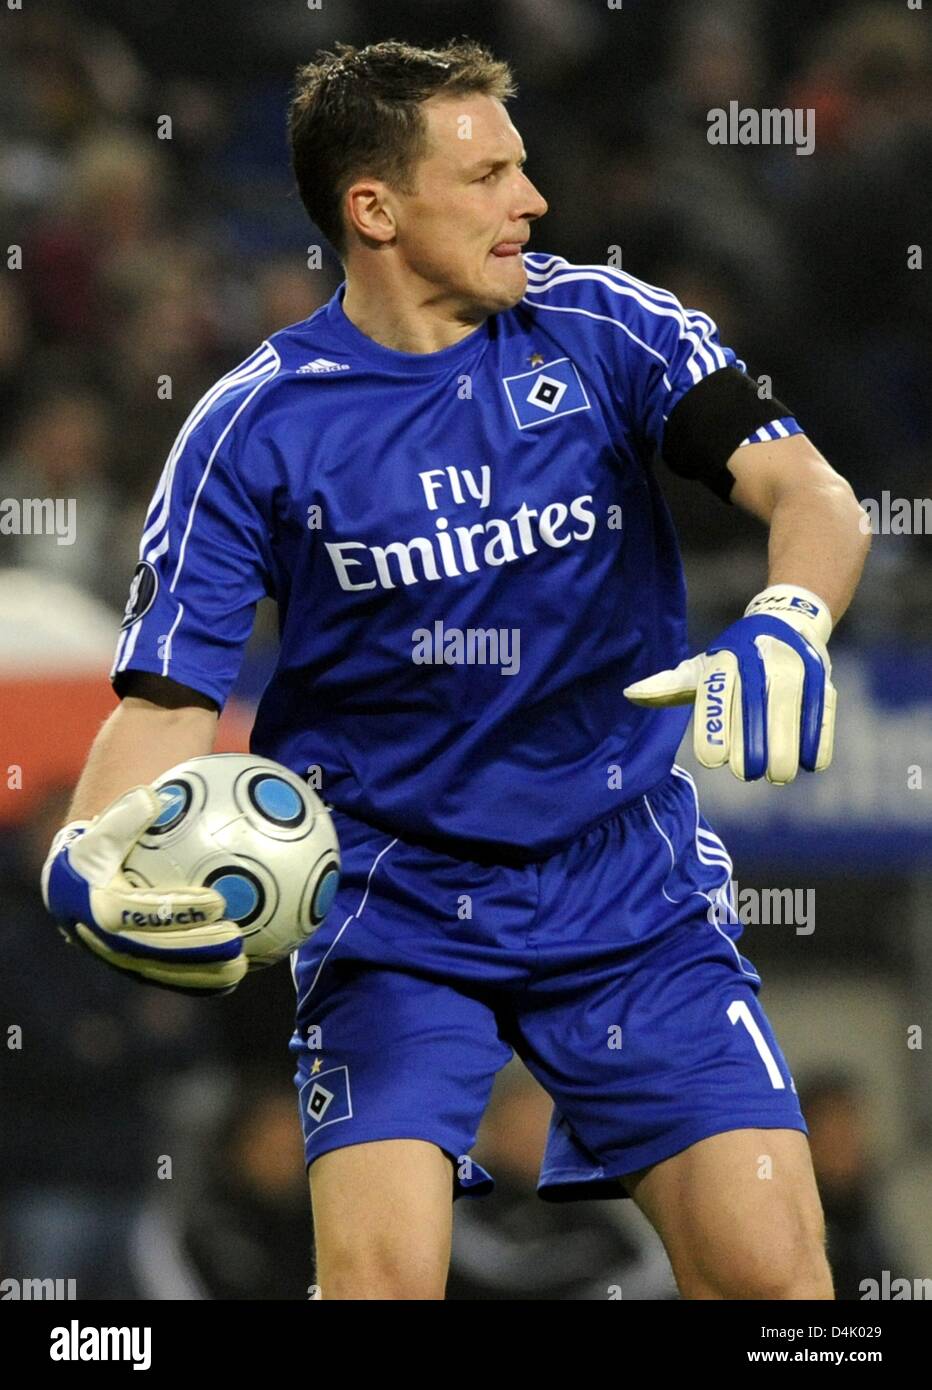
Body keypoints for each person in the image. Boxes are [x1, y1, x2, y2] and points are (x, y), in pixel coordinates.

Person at [42, 38, 870, 1300]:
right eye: (485, 176)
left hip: (628, 893)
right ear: (372, 209)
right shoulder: (252, 431)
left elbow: (809, 493)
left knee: (782, 1292)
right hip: (393, 908)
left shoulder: (606, 325)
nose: (528, 202)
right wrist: (81, 851)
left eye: (522, 169)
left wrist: (785, 620)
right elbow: (167, 703)